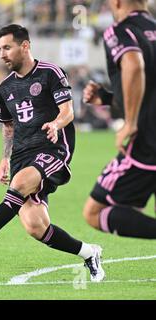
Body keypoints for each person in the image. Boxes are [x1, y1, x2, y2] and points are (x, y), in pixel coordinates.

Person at [0, 24, 105, 282]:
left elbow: (68, 111)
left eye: (7, 47)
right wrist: (4, 158)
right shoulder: (4, 88)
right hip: (22, 156)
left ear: (24, 46)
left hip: (53, 150)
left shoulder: (50, 73)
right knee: (36, 227)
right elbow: (8, 126)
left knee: (20, 183)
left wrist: (56, 125)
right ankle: (89, 253)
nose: (2, 54)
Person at [82, 0, 156, 239]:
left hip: (147, 142)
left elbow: (134, 66)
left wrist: (131, 122)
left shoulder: (120, 30)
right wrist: (106, 98)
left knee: (95, 212)